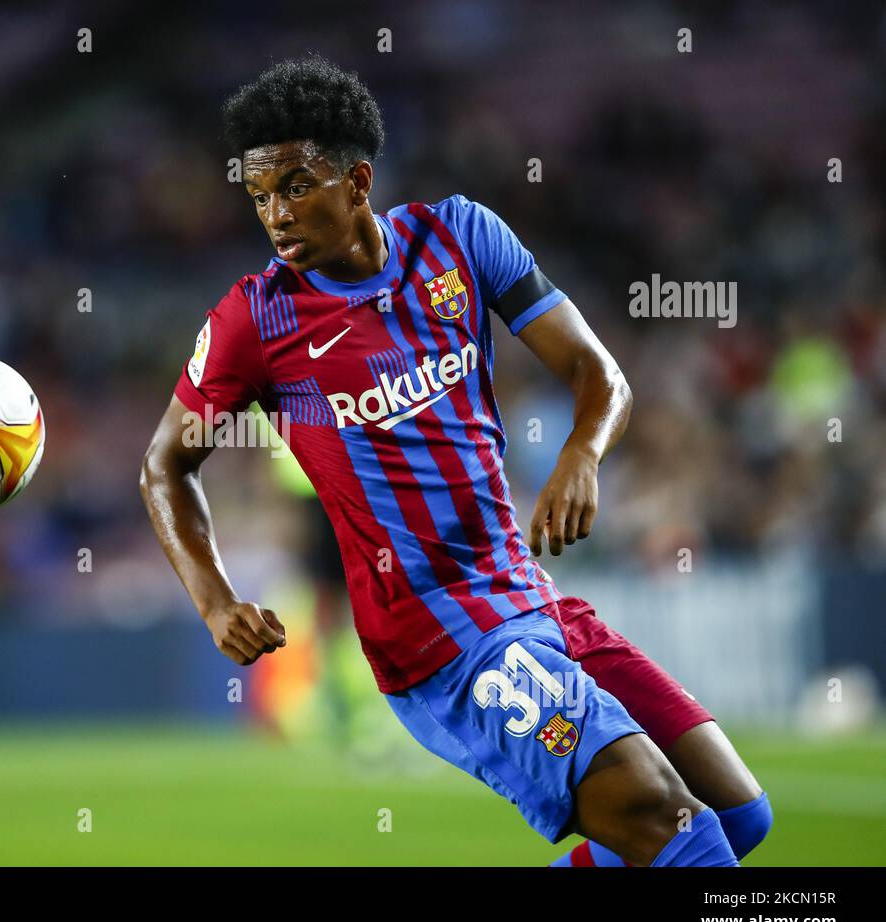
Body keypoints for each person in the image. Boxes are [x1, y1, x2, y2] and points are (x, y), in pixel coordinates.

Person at [139, 55, 771, 866]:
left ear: (358, 181)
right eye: (260, 196)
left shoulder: (460, 237)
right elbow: (166, 465)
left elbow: (597, 374)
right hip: (442, 642)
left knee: (740, 817)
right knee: (664, 821)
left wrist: (582, 453)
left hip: (531, 598)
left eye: (296, 185)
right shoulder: (253, 322)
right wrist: (216, 600)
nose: (276, 215)